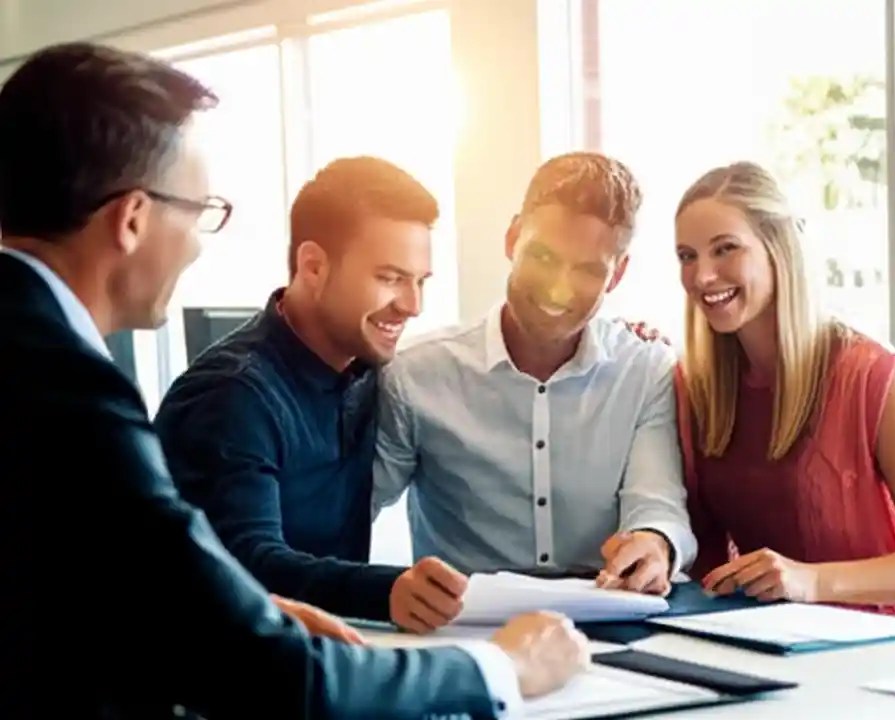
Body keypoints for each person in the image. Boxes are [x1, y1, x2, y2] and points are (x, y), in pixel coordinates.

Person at [0, 41, 586, 718]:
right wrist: (502, 666)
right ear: (132, 219)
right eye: (200, 211)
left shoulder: (36, 355)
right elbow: (277, 674)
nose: (197, 241)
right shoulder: (71, 390)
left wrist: (240, 614)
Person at [152, 155, 476, 633]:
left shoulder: (372, 370)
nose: (412, 306)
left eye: (419, 281)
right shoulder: (231, 394)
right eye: (389, 278)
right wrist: (387, 591)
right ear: (313, 266)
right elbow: (246, 563)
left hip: (328, 660)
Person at [373, 152, 695, 608]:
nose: (558, 288)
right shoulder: (416, 374)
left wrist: (654, 543)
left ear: (617, 274)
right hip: (465, 629)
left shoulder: (645, 369)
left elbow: (657, 501)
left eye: (588, 270)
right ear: (512, 238)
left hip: (609, 620)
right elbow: (347, 510)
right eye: (543, 257)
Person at [671, 161, 895, 619]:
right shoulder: (696, 386)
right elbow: (700, 551)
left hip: (891, 636)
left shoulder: (873, 378)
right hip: (771, 635)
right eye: (687, 256)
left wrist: (810, 581)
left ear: (779, 249)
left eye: (725, 249)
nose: (702, 276)